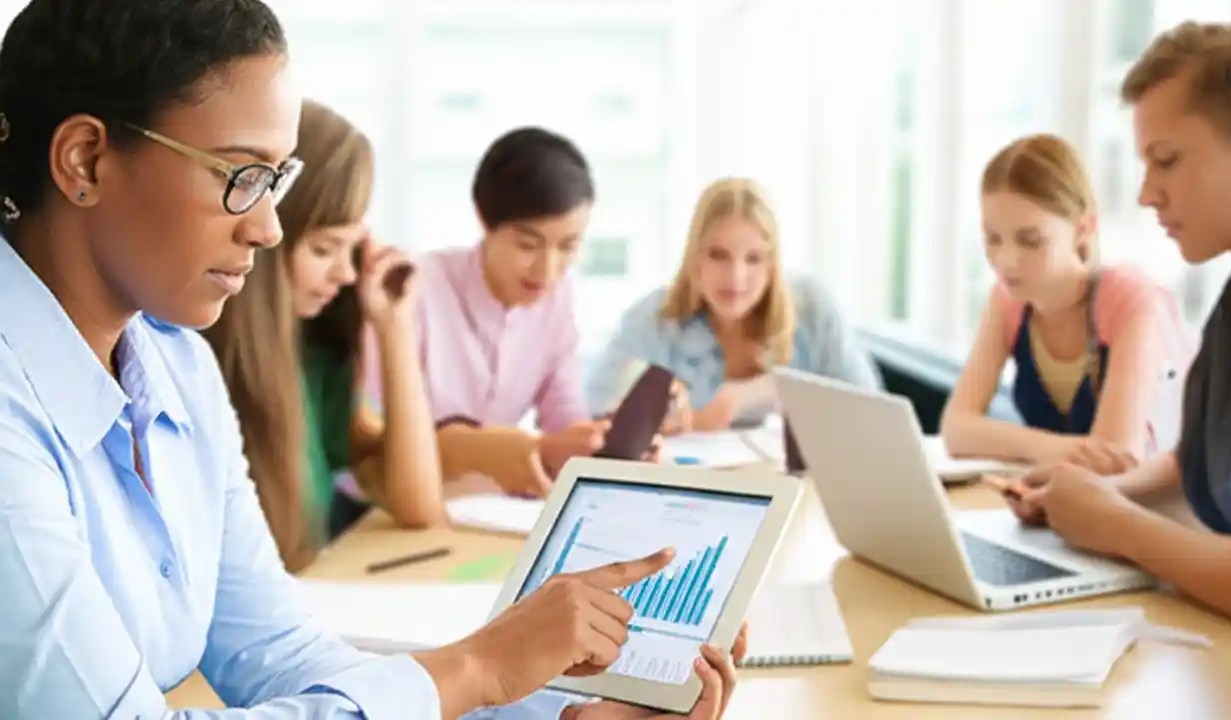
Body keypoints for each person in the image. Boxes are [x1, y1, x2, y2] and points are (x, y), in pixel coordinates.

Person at [0, 1, 741, 717]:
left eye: (277, 180)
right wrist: (478, 668)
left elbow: (279, 654)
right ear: (85, 160)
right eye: (241, 175)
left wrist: (556, 711)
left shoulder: (178, 369)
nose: (266, 228)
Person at [1010, 21, 1231, 634]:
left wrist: (1119, 525)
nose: (1146, 193)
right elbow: (1200, 465)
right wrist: (1095, 496)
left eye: (1167, 161)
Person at [205, 99, 445, 572]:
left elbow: (419, 507)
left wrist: (395, 329)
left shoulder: (312, 356)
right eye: (323, 248)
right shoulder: (201, 368)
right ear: (265, 235)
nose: (346, 274)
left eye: (353, 248)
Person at [361, 128, 609, 498]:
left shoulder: (559, 299)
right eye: (528, 244)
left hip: (481, 506)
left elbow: (565, 420)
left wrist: (600, 440)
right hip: (388, 504)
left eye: (568, 247)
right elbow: (372, 439)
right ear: (482, 218)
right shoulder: (410, 291)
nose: (547, 270)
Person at [941, 134, 1194, 474]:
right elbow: (957, 430)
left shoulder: (1132, 299)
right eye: (993, 239)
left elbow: (1118, 457)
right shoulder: (1008, 301)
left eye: (1031, 240)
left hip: (1156, 513)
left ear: (1082, 230)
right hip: (1066, 501)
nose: (1007, 261)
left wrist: (1022, 446)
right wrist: (1065, 449)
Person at [587, 178, 881, 433]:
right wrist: (648, 420)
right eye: (719, 255)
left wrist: (761, 391)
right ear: (695, 256)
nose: (736, 277)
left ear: (772, 265)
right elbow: (594, 413)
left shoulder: (812, 307)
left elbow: (870, 410)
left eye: (754, 259)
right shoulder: (653, 319)